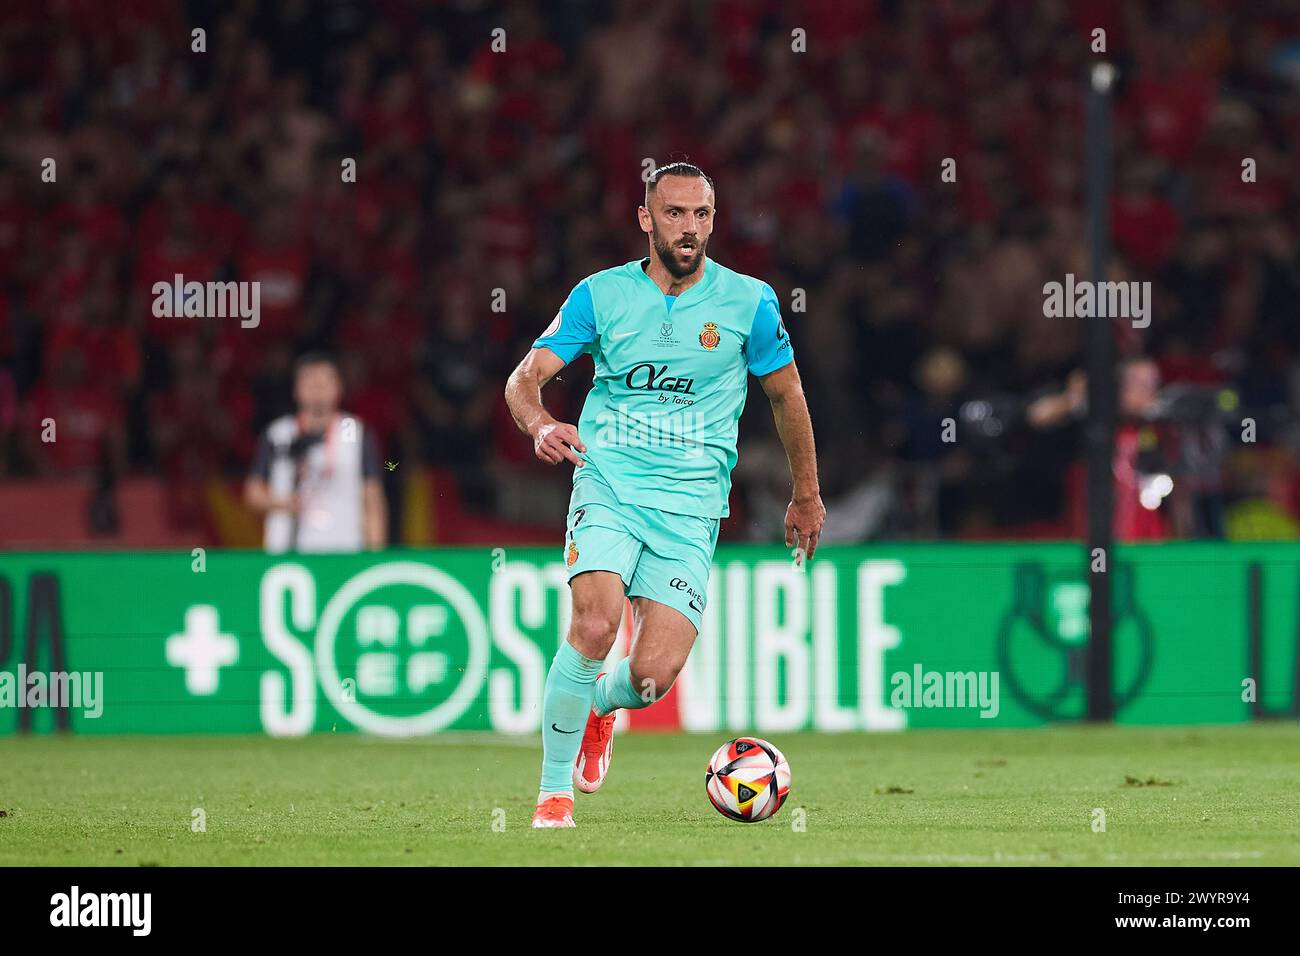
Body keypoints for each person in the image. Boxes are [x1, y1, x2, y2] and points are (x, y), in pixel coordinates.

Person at [504, 163, 825, 828]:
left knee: (651, 679)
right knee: (594, 625)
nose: (689, 228)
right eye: (674, 213)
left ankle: (599, 708)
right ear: (646, 219)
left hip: (692, 506)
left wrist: (807, 496)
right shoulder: (600, 295)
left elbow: (786, 394)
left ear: (714, 220)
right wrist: (540, 423)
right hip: (609, 482)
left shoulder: (749, 302)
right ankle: (552, 795)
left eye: (701, 215)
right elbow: (524, 379)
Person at [244, 351, 387, 553]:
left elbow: (372, 497)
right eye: (310, 380)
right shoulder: (278, 433)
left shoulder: (353, 431)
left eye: (325, 380)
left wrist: (374, 553)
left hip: (344, 551)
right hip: (287, 552)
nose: (318, 387)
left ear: (339, 387)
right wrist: (283, 503)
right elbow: (253, 493)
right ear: (296, 389)